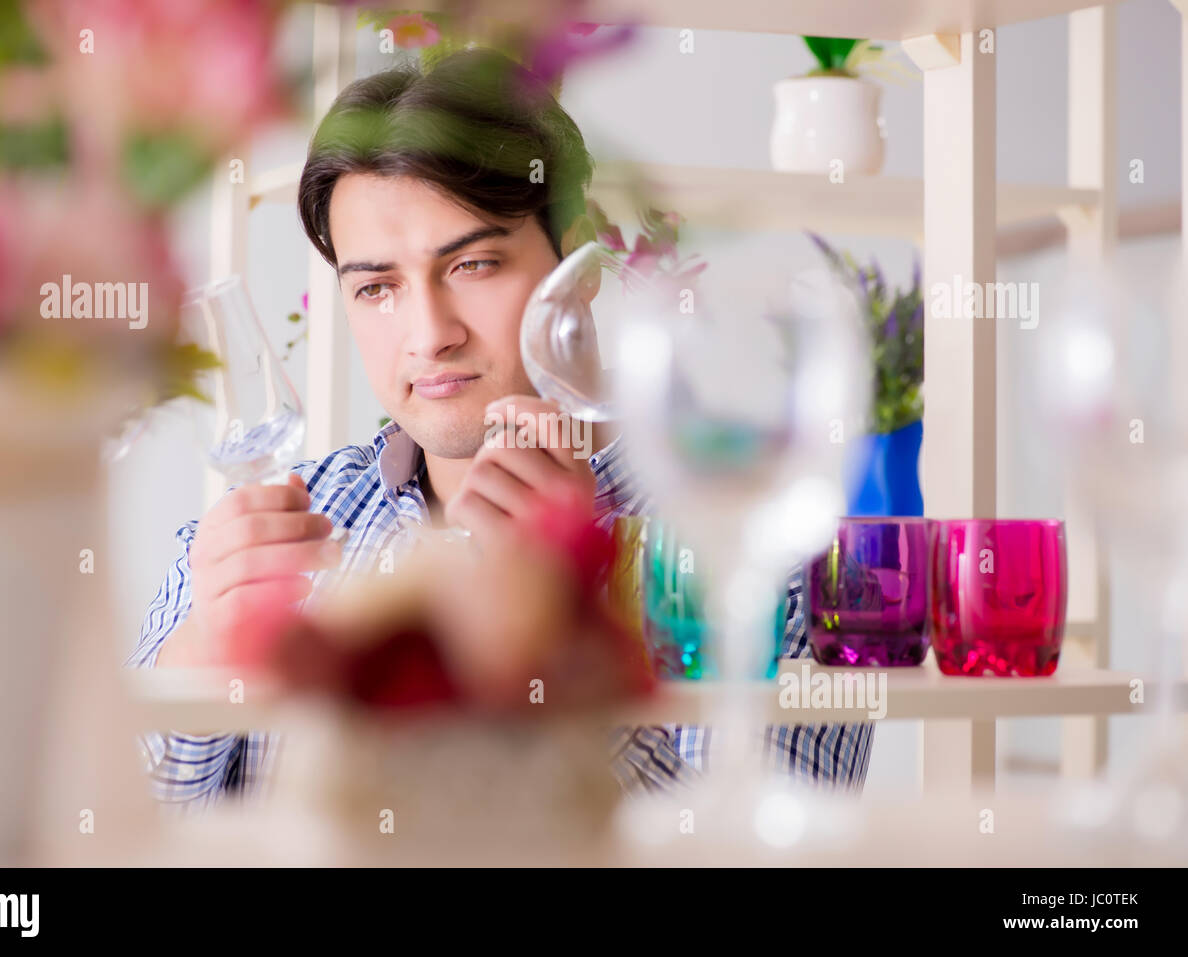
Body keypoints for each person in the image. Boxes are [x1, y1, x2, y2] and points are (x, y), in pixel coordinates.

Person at [126, 49, 873, 810]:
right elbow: (111, 834)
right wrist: (205, 654)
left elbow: (758, 844)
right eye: (378, 287)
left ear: (577, 262)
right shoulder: (254, 548)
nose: (429, 334)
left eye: (474, 264)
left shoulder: (758, 535)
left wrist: (553, 618)